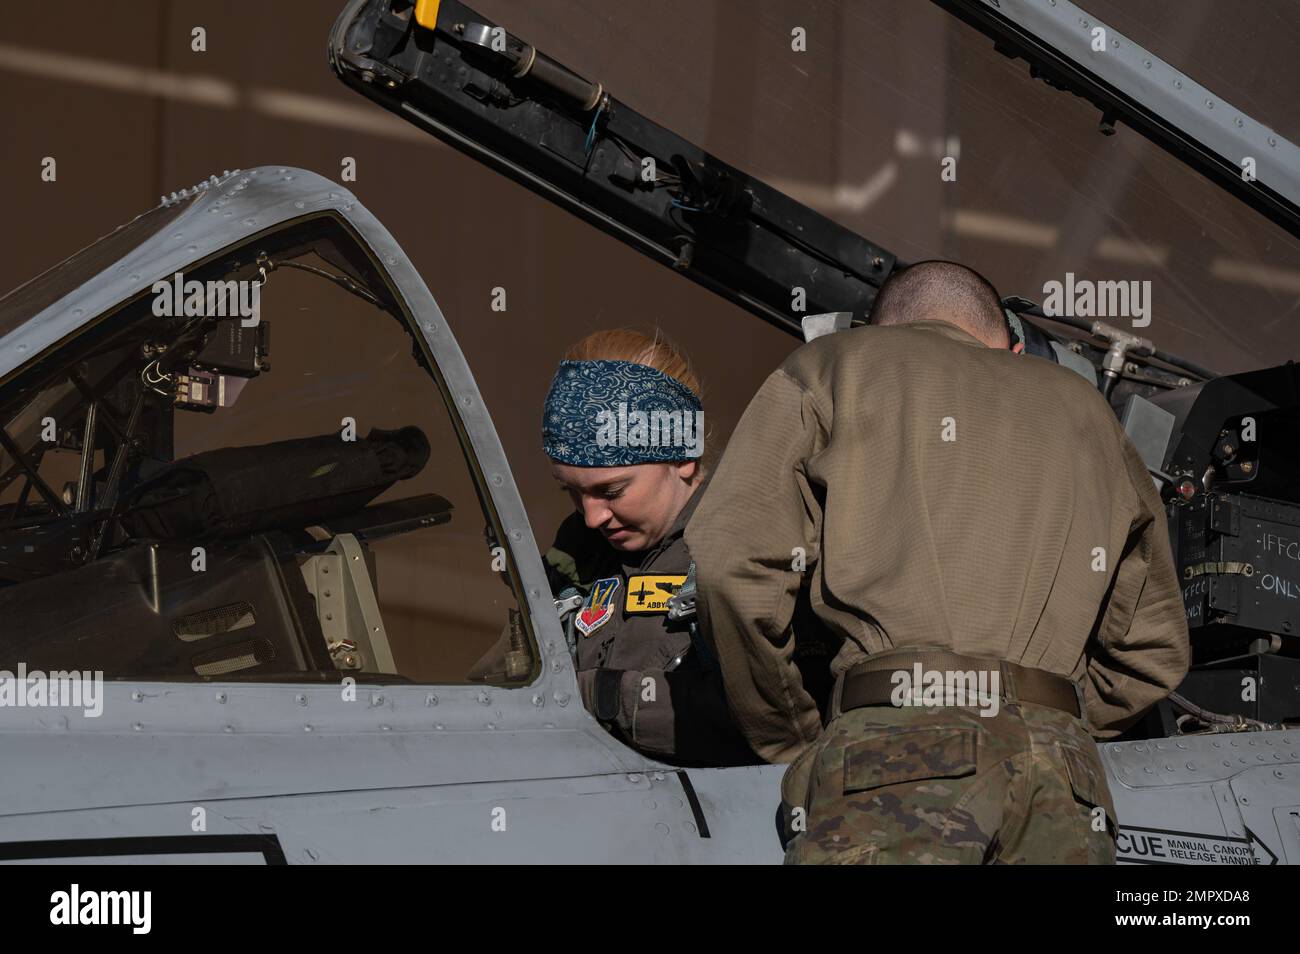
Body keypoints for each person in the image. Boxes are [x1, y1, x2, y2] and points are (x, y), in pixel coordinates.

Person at [685, 260, 1190, 863]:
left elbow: (730, 567)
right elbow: (1153, 649)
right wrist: (1054, 719)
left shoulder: (833, 367)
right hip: (1061, 776)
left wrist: (793, 737)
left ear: (877, 327)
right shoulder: (1088, 411)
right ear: (1013, 343)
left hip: (892, 752)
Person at [471, 329, 758, 767]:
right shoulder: (580, 556)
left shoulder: (751, 548)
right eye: (572, 492)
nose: (592, 517)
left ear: (682, 457)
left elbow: (765, 718)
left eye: (612, 491)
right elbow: (498, 684)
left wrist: (595, 696)